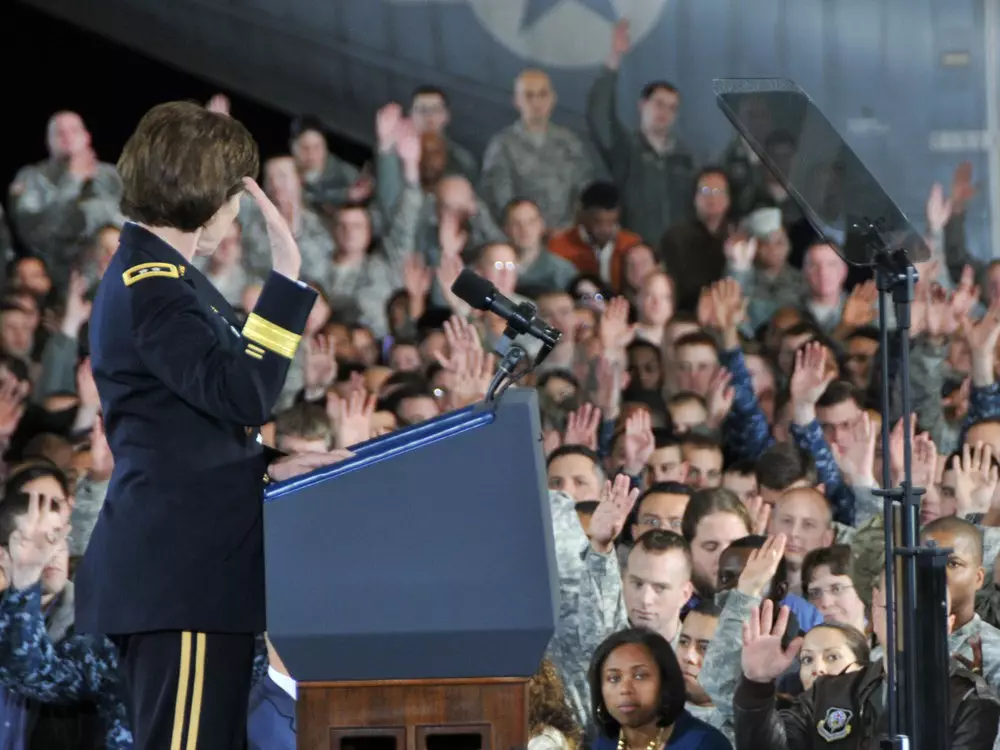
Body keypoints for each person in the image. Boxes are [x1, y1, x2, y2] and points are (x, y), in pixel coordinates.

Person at [73, 101, 348, 750]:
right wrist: (285, 280)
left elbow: (188, 427)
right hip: (183, 576)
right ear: (207, 196)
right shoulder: (155, 285)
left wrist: (270, 462)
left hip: (191, 571)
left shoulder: (162, 278)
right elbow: (245, 391)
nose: (236, 214)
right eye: (235, 196)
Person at [588, 627, 733, 750]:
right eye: (614, 678)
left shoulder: (705, 744)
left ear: (665, 681)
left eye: (639, 676)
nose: (625, 689)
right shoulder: (602, 743)